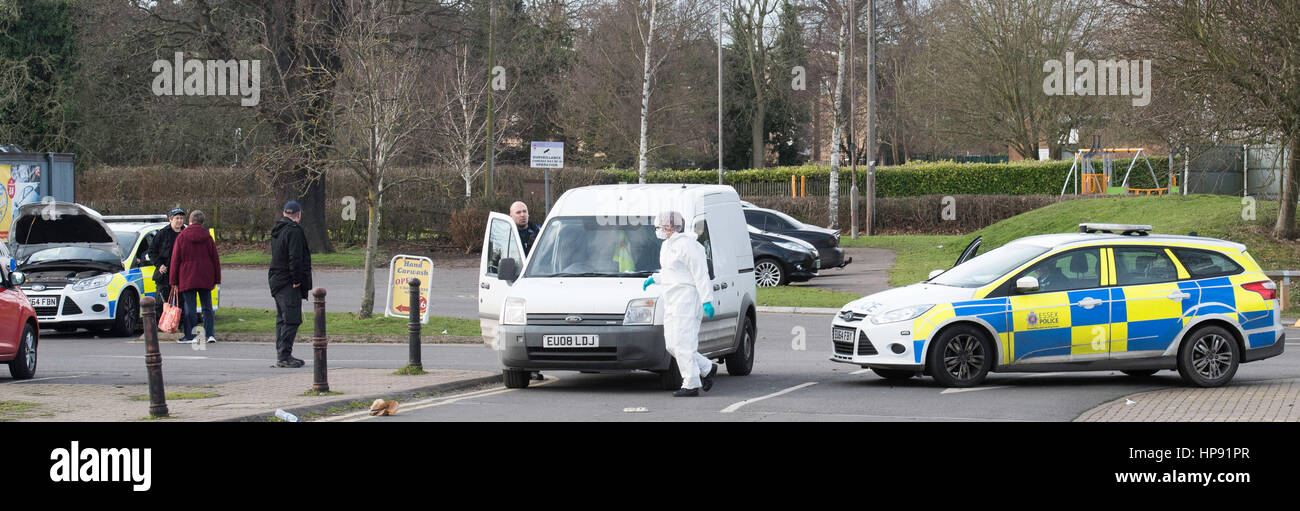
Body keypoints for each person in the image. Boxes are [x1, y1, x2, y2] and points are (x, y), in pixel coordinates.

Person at [641, 211, 717, 397]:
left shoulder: (689, 246)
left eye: (660, 227)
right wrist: (655, 279)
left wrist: (707, 300)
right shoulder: (667, 246)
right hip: (672, 299)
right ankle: (707, 368)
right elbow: (672, 272)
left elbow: (700, 274)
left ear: (670, 227)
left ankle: (691, 384)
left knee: (684, 344)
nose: (658, 230)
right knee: (672, 345)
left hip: (687, 299)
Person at [268, 201, 313, 368]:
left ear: (284, 213)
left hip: (276, 279)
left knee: (282, 318)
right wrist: (296, 280)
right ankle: (284, 356)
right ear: (299, 214)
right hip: (287, 281)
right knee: (292, 318)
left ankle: (282, 353)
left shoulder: (278, 230)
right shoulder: (293, 231)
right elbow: (295, 257)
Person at [169, 210, 221, 344]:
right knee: (207, 307)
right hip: (205, 276)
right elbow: (215, 259)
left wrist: (173, 280)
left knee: (190, 308)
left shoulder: (182, 236)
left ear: (190, 221)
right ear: (202, 222)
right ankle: (210, 334)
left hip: (187, 276)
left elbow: (175, 260)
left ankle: (190, 335)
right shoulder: (208, 237)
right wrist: (217, 279)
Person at [149, 208, 186, 325]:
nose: (179, 221)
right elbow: (152, 252)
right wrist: (159, 265)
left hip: (181, 274)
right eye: (177, 218)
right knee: (161, 302)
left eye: (181, 218)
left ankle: (178, 326)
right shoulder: (162, 234)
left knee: (181, 302)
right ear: (170, 219)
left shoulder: (186, 233)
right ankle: (161, 326)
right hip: (164, 274)